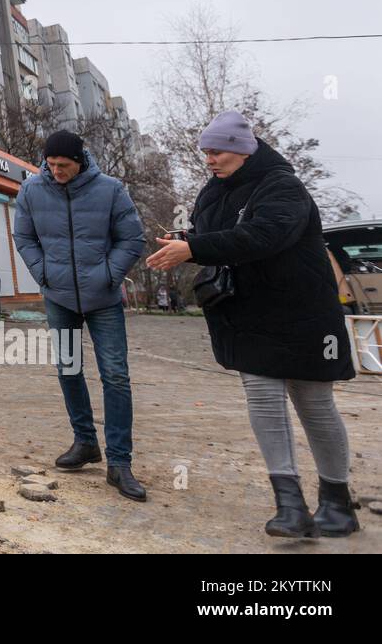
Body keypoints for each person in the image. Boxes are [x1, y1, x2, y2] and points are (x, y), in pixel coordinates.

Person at [146, 110, 358, 538]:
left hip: (303, 314)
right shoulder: (212, 192)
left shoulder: (283, 186)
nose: (209, 159)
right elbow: (213, 238)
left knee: (315, 405)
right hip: (245, 312)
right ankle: (290, 506)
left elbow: (264, 236)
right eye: (205, 151)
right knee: (262, 399)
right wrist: (185, 242)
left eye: (217, 150)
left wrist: (194, 249)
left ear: (242, 149)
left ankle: (337, 503)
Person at [13, 130, 147, 501]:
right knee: (68, 369)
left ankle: (120, 463)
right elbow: (23, 238)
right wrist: (44, 274)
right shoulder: (31, 190)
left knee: (115, 375)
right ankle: (85, 441)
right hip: (59, 299)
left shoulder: (110, 190)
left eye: (64, 165)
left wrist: (108, 275)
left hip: (103, 299)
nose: (56, 171)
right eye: (51, 164)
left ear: (80, 160)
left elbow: (133, 238)